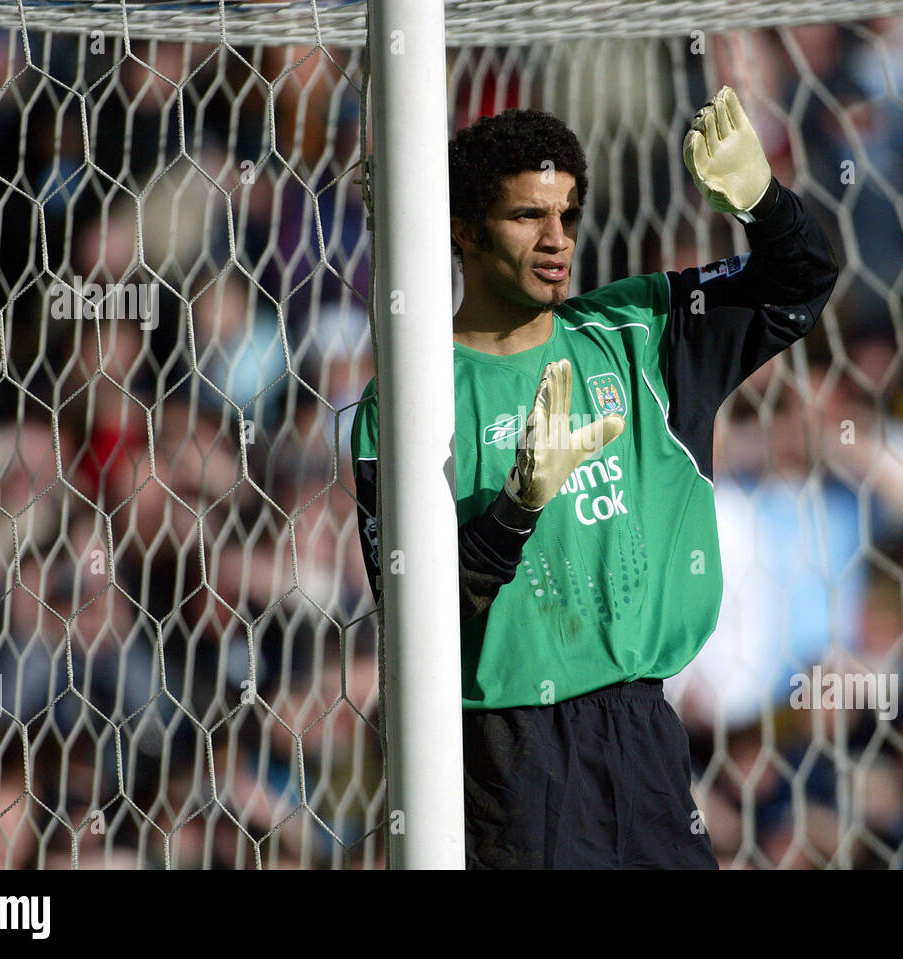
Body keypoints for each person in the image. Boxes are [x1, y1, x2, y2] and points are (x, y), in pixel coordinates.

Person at [351, 87, 838, 868]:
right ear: (462, 230)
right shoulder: (407, 402)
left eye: (568, 216)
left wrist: (761, 198)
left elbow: (801, 282)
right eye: (526, 217)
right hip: (508, 766)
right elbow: (418, 617)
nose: (557, 240)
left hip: (646, 740)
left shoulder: (641, 329)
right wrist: (514, 510)